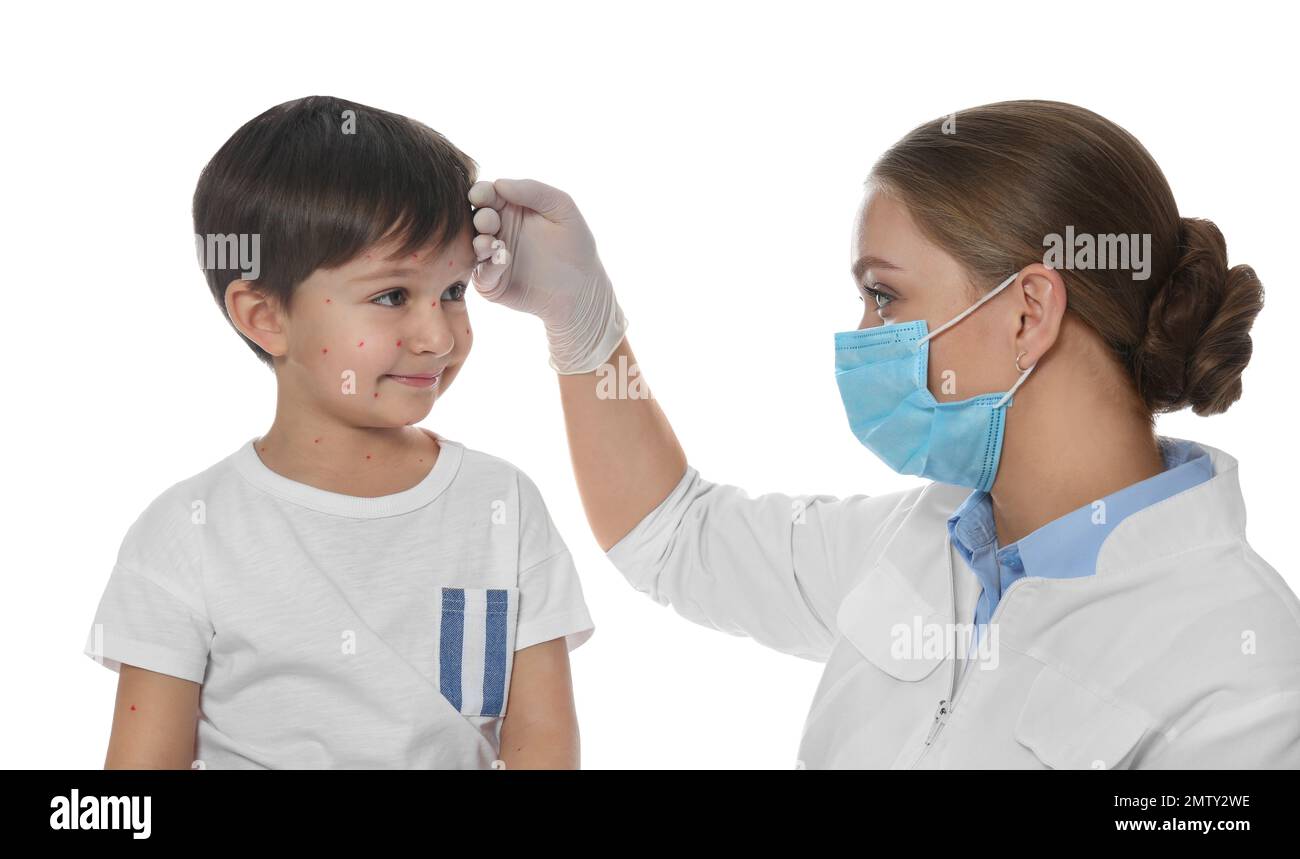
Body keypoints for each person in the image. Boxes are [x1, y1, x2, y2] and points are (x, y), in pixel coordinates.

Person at [466, 99, 1300, 768]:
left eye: (884, 295)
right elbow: (676, 535)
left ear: (1027, 311)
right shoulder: (926, 539)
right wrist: (582, 322)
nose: (862, 333)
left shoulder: (1241, 672)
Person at [82, 95, 594, 769]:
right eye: (391, 296)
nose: (438, 335)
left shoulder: (504, 505)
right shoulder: (187, 533)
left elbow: (544, 747)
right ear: (265, 316)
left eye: (453, 291)